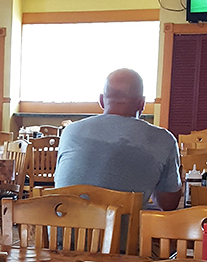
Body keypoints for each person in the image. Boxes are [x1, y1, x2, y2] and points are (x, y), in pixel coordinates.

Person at [54, 68, 181, 210]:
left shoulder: (70, 132)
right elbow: (168, 205)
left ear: (101, 100)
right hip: (122, 231)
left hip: (61, 228)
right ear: (142, 103)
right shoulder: (164, 140)